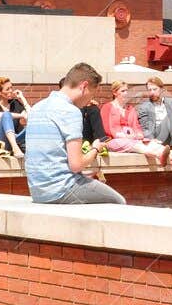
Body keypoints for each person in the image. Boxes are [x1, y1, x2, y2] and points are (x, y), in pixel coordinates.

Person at [22, 63, 125, 204]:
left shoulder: (37, 108)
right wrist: (95, 149)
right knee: (119, 201)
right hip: (62, 190)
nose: (90, 100)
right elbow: (76, 165)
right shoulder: (71, 112)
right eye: (92, 94)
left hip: (38, 192)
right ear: (83, 86)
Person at [99, 81, 167, 166]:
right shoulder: (107, 107)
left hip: (132, 139)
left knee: (152, 143)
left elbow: (137, 127)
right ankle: (156, 154)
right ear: (114, 93)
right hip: (113, 141)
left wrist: (139, 135)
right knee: (131, 143)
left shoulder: (130, 109)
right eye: (123, 91)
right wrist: (123, 135)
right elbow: (107, 128)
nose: (126, 93)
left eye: (127, 91)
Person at [0, 76, 28, 153]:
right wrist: (21, 115)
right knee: (6, 115)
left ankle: (17, 146)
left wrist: (22, 99)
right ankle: (15, 147)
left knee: (32, 124)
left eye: (11, 88)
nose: (11, 91)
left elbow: (30, 117)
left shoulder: (15, 103)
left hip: (17, 138)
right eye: (7, 89)